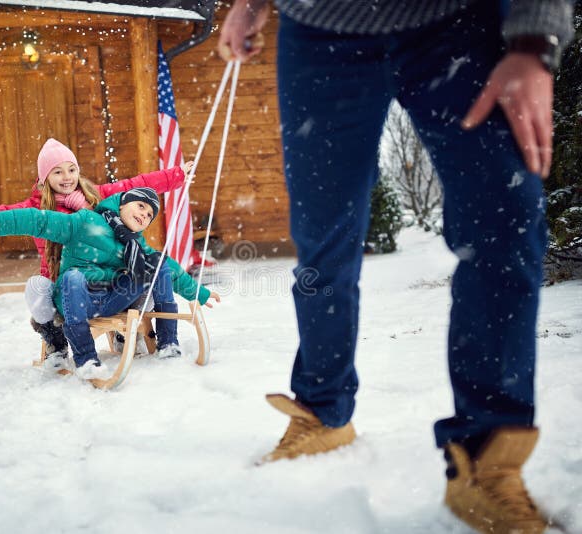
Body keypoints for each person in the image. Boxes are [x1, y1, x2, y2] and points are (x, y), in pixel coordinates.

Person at [218, 0, 574, 532]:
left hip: (459, 22)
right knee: (322, 244)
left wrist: (534, 42)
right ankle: (322, 408)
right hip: (319, 31)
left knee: (502, 224)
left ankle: (487, 458)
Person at [0, 138, 193, 358]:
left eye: (71, 169)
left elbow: (137, 185)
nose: (67, 177)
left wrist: (176, 175)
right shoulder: (35, 209)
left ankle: (129, 331)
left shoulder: (95, 196)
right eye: (57, 172)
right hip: (67, 284)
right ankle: (54, 336)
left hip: (108, 282)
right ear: (45, 178)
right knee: (36, 287)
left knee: (145, 271)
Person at [0, 187, 221, 378]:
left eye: (149, 214)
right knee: (71, 277)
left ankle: (168, 341)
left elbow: (172, 269)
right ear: (123, 202)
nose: (144, 214)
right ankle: (85, 359)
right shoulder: (85, 222)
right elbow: (38, 220)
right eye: (140, 205)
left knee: (159, 264)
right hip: (77, 298)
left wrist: (199, 292)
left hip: (114, 299)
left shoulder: (136, 244)